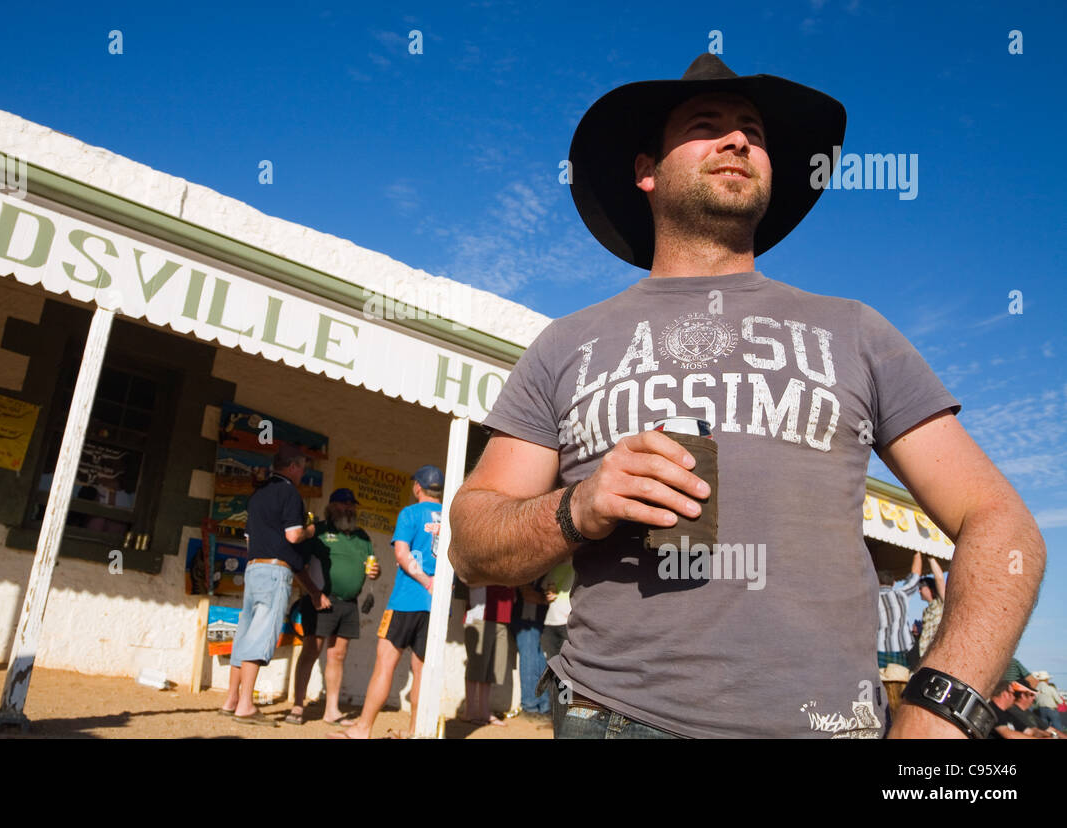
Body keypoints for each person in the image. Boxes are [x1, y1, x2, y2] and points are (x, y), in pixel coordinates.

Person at [448, 54, 1046, 739]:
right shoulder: (566, 344)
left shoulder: (855, 331)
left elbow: (1000, 521)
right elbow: (471, 542)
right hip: (614, 718)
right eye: (708, 125)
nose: (739, 141)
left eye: (753, 132)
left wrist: (942, 707)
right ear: (646, 170)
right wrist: (578, 506)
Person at [333, 465, 444, 739]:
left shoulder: (410, 513)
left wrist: (425, 581)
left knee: (384, 665)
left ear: (417, 486)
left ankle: (362, 728)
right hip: (436, 605)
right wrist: (436, 586)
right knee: (421, 673)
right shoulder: (450, 518)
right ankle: (416, 731)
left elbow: (403, 555)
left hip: (407, 599)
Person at [221, 444, 318, 726]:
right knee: (261, 635)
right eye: (301, 467)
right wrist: (311, 530)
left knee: (245, 633)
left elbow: (250, 539)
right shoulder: (288, 492)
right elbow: (293, 535)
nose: (302, 473)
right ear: (292, 467)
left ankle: (231, 700)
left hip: (253, 567)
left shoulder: (258, 494)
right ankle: (247, 706)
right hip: (275, 570)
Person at [286, 488, 381, 724]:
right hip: (321, 601)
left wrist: (375, 573)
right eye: (342, 504)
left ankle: (332, 711)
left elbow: (371, 566)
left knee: (338, 655)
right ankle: (297, 707)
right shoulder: (318, 531)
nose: (348, 508)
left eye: (351, 505)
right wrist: (315, 593)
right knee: (311, 652)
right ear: (331, 507)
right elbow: (298, 565)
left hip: (349, 604)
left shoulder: (362, 537)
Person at [462, 584, 515, 726]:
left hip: (502, 616)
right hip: (479, 614)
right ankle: (469, 711)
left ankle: (484, 712)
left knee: (492, 668)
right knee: (476, 666)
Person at [511, 580, 551, 720]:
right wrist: (543, 599)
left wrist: (540, 598)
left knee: (538, 661)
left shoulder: (542, 574)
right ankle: (531, 706)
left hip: (538, 621)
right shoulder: (525, 573)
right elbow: (528, 595)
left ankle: (541, 706)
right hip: (524, 619)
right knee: (531, 660)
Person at [878, 552, 923, 669]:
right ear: (893, 583)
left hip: (878, 649)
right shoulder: (901, 595)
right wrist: (917, 553)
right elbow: (915, 576)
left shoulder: (869, 599)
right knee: (901, 684)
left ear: (877, 582)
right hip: (903, 649)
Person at [915, 557, 947, 659]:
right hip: (926, 657)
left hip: (939, 656)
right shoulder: (926, 611)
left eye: (921, 588)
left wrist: (930, 558)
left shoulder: (942, 603)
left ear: (930, 588)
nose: (919, 591)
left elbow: (940, 579)